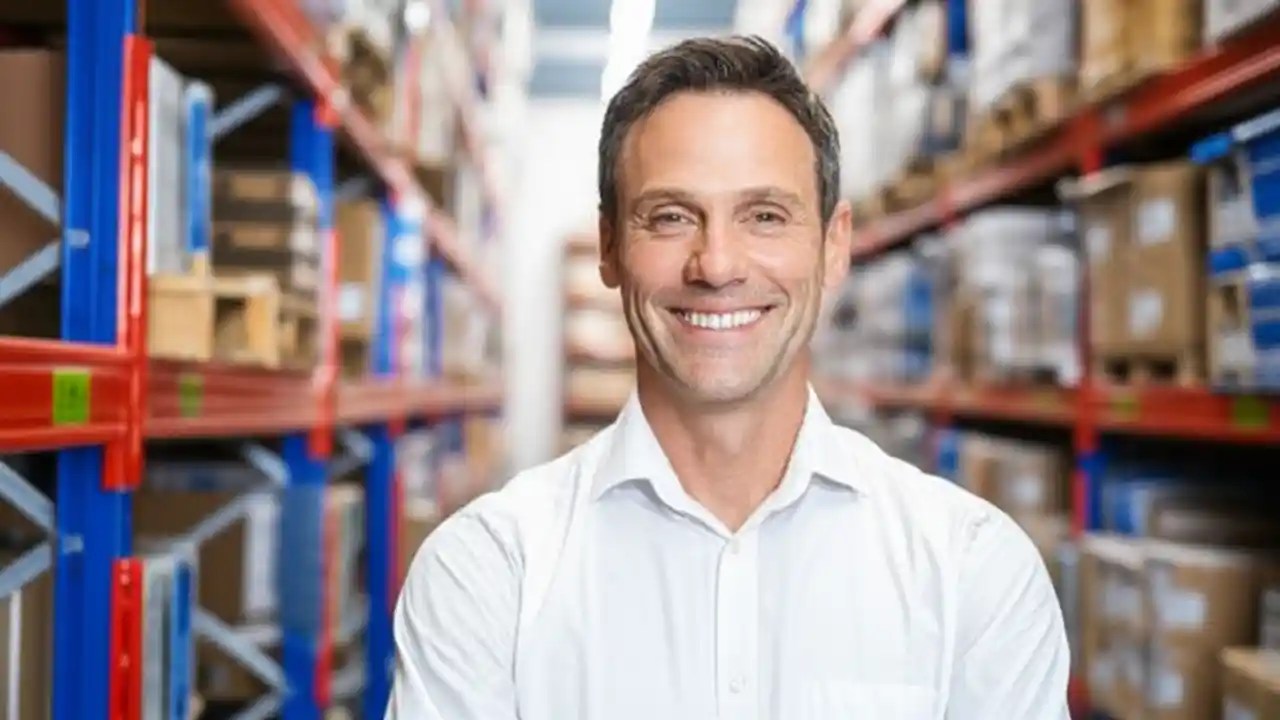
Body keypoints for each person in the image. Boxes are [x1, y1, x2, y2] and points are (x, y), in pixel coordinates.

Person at [386, 35, 1070, 720]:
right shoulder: (487, 577)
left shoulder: (972, 574)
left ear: (834, 247)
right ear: (610, 249)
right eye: (672, 217)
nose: (716, 264)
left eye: (765, 216)